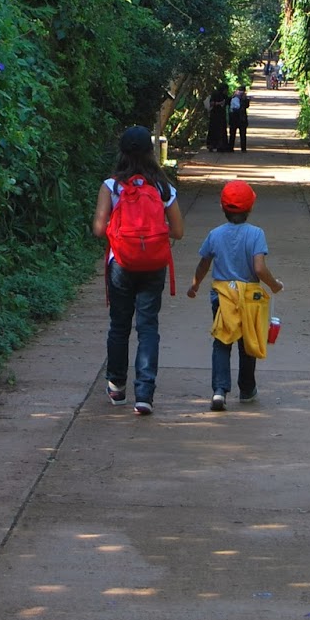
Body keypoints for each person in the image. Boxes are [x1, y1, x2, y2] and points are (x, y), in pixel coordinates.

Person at [93, 126, 184, 416]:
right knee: (148, 327)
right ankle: (144, 394)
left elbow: (98, 229)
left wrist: (120, 231)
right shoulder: (163, 188)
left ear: (121, 152)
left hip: (121, 263)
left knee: (119, 325)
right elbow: (178, 231)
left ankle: (117, 386)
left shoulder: (111, 186)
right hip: (154, 265)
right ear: (150, 152)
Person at [187, 179, 283, 411]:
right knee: (248, 340)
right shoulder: (256, 234)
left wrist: (195, 285)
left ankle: (219, 391)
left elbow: (203, 264)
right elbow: (259, 268)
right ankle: (247, 389)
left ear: (222, 207)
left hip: (222, 296)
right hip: (249, 298)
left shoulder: (215, 234)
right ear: (251, 207)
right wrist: (274, 285)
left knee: (222, 339)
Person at [205, 83, 229, 151]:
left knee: (222, 131)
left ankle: (221, 145)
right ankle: (212, 145)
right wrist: (218, 103)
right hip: (215, 115)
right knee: (213, 130)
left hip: (221, 115)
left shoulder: (225, 95)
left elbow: (227, 101)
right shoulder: (215, 94)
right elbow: (211, 103)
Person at [228, 82, 250, 152]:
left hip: (233, 117)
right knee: (243, 134)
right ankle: (243, 148)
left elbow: (229, 105)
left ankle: (231, 147)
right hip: (242, 117)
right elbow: (247, 106)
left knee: (232, 133)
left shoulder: (234, 96)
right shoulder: (244, 97)